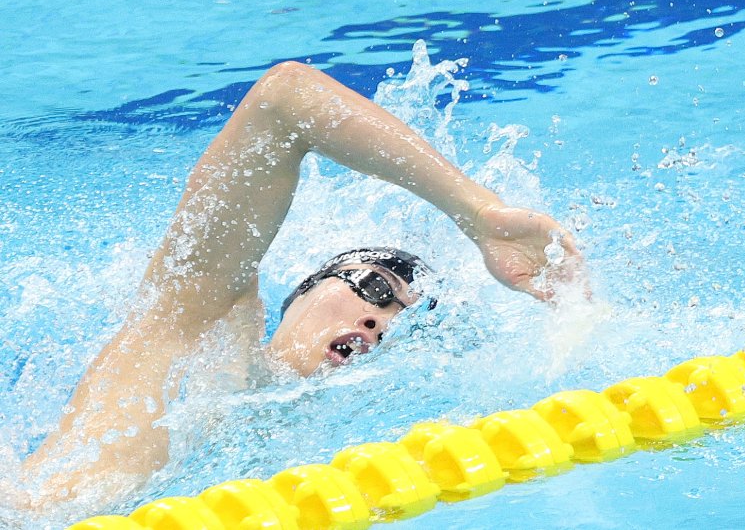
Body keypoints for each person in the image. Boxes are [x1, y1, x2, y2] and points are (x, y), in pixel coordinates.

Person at [22, 61, 583, 503]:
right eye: (376, 290)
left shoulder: (328, 452)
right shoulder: (202, 332)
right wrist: (478, 215)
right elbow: (285, 100)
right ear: (302, 290)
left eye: (398, 323)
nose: (378, 322)